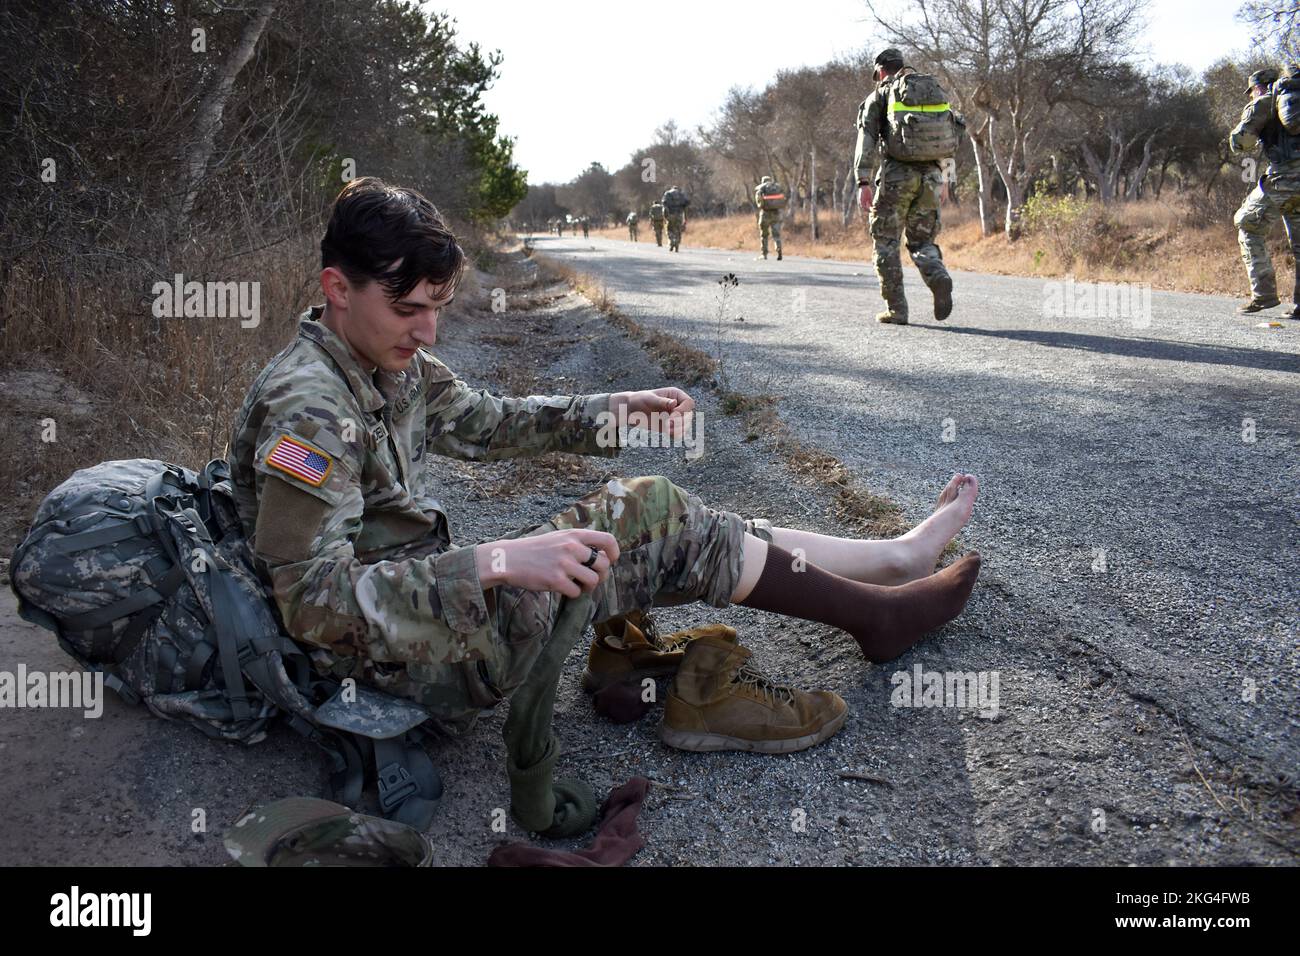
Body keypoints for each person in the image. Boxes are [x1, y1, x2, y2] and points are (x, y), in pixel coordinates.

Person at [229, 177, 982, 761]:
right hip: (386, 670)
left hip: (424, 618)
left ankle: (891, 561)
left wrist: (613, 408)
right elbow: (311, 604)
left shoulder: (384, 361)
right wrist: (493, 562)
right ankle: (878, 614)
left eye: (439, 307)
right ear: (338, 289)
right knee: (650, 511)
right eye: (409, 310)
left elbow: (486, 421)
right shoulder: (311, 412)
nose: (428, 331)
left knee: (668, 524)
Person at [853, 48, 963, 325]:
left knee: (886, 241)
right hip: (933, 177)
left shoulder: (878, 96)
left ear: (880, 71)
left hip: (896, 177)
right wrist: (947, 179)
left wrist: (863, 181)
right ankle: (938, 276)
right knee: (922, 241)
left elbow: (866, 139)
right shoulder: (929, 91)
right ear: (902, 66)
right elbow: (949, 137)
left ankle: (897, 310)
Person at [1229, 66, 1300, 318]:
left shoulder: (1264, 102)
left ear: (1259, 86)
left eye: (1252, 90)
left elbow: (1241, 143)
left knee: (1248, 224)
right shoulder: (1292, 101)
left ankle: (1264, 295)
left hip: (1283, 181)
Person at [754, 176, 786, 261]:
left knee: (764, 235)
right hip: (776, 214)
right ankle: (779, 250)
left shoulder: (761, 189)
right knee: (776, 235)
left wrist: (761, 205)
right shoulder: (777, 188)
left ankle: (764, 254)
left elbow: (759, 203)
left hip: (765, 214)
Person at [662, 186, 689, 252]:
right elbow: (685, 207)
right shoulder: (681, 195)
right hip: (679, 215)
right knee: (678, 230)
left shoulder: (668, 194)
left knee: (669, 230)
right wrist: (685, 218)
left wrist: (665, 217)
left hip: (670, 215)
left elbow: (664, 206)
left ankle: (672, 241)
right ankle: (677, 243)